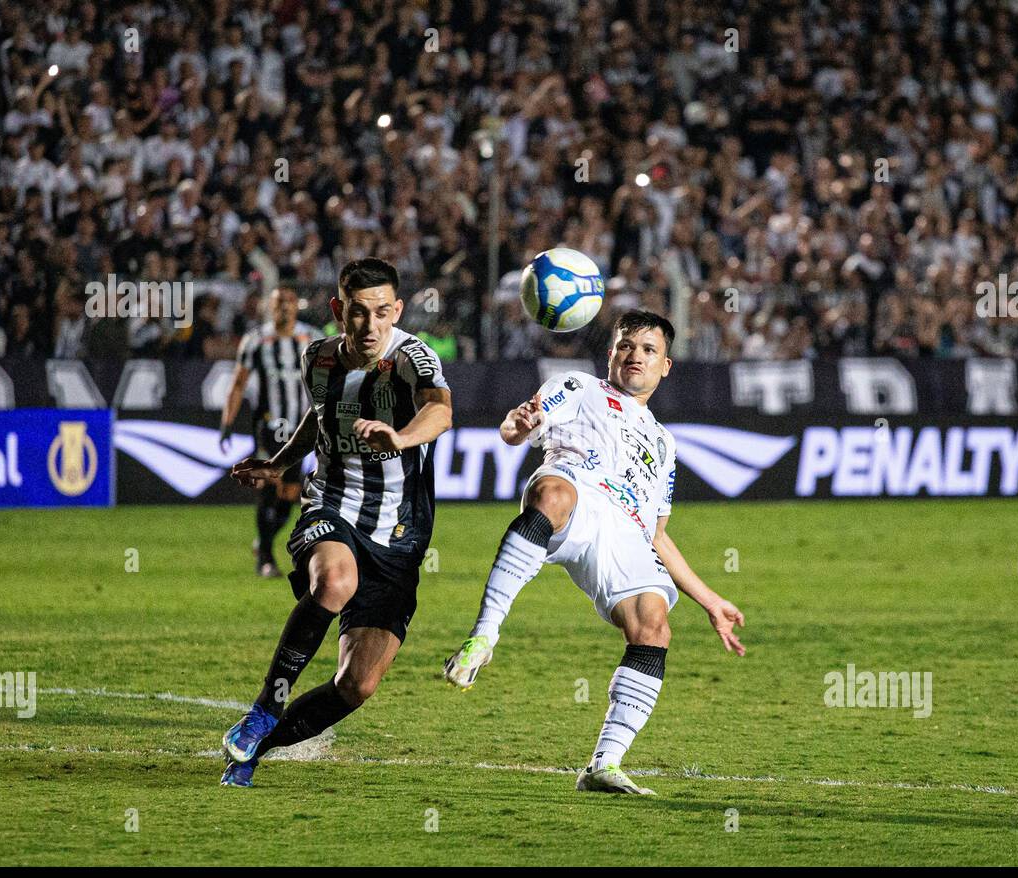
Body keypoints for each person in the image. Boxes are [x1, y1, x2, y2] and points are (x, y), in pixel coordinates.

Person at [443, 309, 746, 795]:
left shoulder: (665, 446)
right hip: (576, 488)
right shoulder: (580, 388)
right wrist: (518, 426)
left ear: (665, 366)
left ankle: (604, 764)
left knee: (653, 624)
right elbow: (514, 429)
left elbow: (658, 536)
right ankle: (484, 637)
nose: (635, 356)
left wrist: (710, 600)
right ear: (611, 354)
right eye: (626, 345)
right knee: (553, 499)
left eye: (649, 350)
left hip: (624, 532)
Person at [219, 258, 452, 786]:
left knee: (358, 686)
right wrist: (281, 463)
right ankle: (264, 707)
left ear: (397, 311)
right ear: (337, 310)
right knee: (334, 581)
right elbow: (321, 418)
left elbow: (441, 410)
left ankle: (254, 750)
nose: (370, 327)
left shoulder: (414, 358)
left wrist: (403, 437)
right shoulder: (318, 358)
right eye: (357, 313)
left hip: (400, 533)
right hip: (332, 504)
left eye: (381, 313)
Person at [219, 284, 318, 577]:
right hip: (269, 427)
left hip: (300, 429)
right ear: (269, 307)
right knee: (267, 486)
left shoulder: (311, 339)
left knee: (290, 494)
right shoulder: (255, 341)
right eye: (278, 303)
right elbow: (238, 384)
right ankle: (265, 558)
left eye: (288, 302)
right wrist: (227, 423)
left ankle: (263, 541)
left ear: (296, 306)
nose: (284, 308)